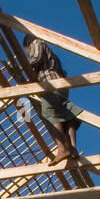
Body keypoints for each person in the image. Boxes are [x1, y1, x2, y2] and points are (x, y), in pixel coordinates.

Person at [23, 33, 83, 166]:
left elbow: (36, 58)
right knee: (66, 117)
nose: (28, 53)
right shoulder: (52, 56)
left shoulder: (37, 42)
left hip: (50, 83)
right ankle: (72, 147)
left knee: (49, 111)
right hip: (61, 85)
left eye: (26, 51)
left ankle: (62, 149)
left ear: (27, 45)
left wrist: (25, 65)